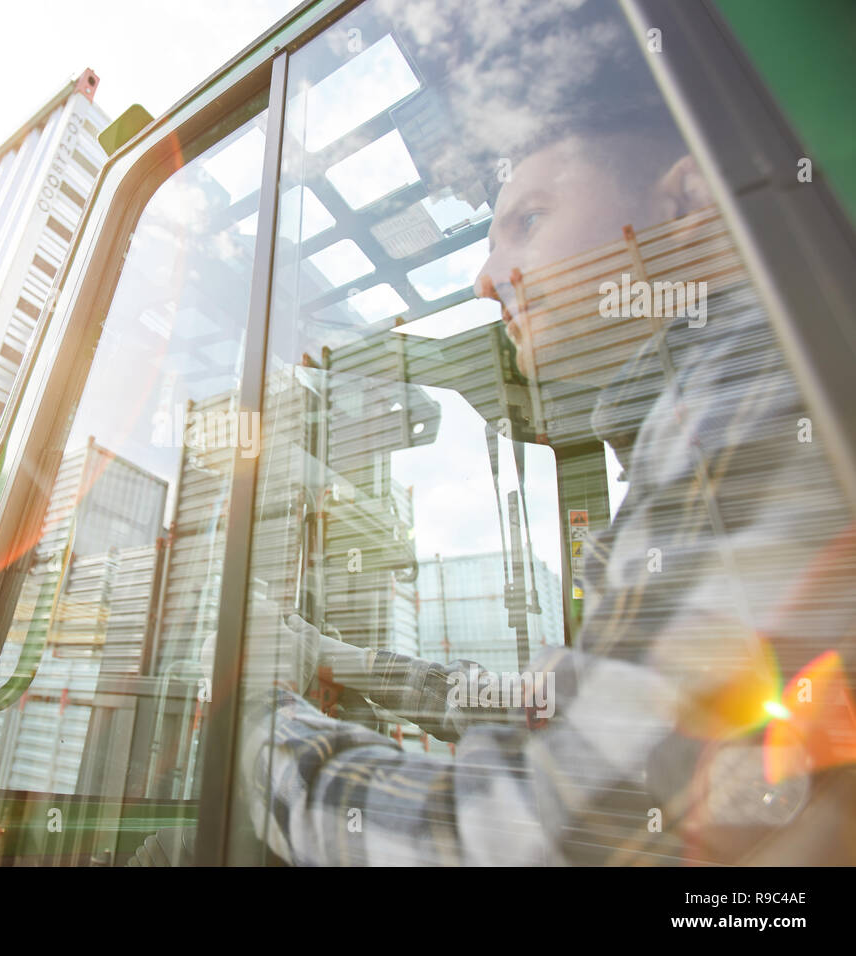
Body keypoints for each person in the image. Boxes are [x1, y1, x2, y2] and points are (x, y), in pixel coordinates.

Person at [233, 112, 856, 866]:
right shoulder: (724, 396)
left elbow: (542, 839)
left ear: (686, 205)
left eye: (528, 220)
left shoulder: (751, 392)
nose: (486, 277)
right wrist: (336, 658)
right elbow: (563, 715)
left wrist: (260, 725)